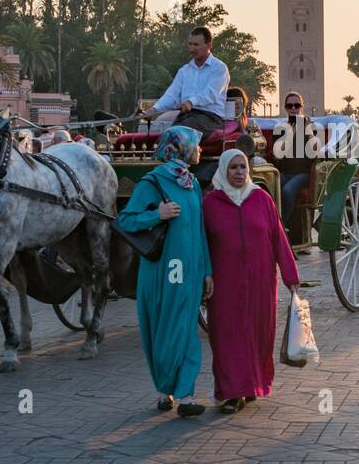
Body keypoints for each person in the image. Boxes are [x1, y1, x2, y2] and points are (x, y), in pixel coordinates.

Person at [117, 126, 213, 418]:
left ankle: (184, 395)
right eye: (196, 145)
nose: (200, 150)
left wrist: (206, 271)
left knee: (185, 330)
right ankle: (167, 391)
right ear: (180, 147)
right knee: (163, 330)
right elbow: (125, 220)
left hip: (190, 270)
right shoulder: (153, 182)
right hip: (164, 272)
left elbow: (200, 230)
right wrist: (155, 215)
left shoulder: (192, 184)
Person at [203, 149, 300, 414]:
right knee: (227, 335)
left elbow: (278, 238)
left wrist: (291, 275)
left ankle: (253, 385)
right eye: (233, 167)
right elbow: (202, 245)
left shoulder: (261, 199)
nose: (238, 173)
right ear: (223, 170)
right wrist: (205, 273)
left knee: (258, 333)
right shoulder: (210, 203)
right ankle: (233, 392)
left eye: (242, 167)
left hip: (261, 280)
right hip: (225, 282)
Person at [144, 25, 231, 138]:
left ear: (209, 45)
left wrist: (191, 102)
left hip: (210, 118)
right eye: (190, 44)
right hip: (186, 117)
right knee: (165, 138)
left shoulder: (219, 68)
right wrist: (154, 110)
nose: (192, 49)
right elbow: (171, 95)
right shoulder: (184, 71)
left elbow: (211, 93)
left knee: (176, 135)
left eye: (196, 45)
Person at [271, 91, 313, 230]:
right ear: (285, 108)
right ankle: (270, 224)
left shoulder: (309, 127)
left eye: (297, 105)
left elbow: (315, 152)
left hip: (303, 174)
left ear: (302, 107)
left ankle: (281, 227)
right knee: (269, 189)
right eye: (290, 106)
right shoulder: (279, 129)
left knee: (287, 191)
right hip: (285, 173)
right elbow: (277, 156)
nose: (293, 109)